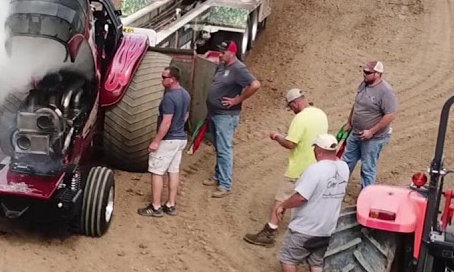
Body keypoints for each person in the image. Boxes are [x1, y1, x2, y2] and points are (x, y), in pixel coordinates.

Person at [270, 134, 350, 272]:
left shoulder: (315, 170)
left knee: (287, 257)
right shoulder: (343, 167)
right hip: (327, 228)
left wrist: (282, 205)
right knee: (317, 265)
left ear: (319, 150)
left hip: (305, 228)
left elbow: (301, 197)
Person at [245, 88, 329, 246]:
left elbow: (290, 144)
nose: (292, 110)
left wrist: (277, 137)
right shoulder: (321, 114)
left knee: (281, 199)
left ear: (295, 103)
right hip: (316, 166)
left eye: (291, 107)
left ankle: (270, 230)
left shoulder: (300, 119)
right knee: (308, 200)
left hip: (298, 167)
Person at [203, 40, 260, 197]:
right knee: (218, 146)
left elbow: (255, 85)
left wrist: (237, 100)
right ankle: (218, 176)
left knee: (224, 148)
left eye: (223, 52)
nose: (220, 54)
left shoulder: (239, 69)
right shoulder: (223, 65)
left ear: (232, 52)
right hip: (215, 113)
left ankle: (225, 184)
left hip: (226, 116)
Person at [139, 65, 191, 217]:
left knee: (156, 171)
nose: (161, 80)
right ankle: (170, 204)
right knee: (173, 171)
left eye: (164, 77)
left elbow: (166, 122)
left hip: (168, 140)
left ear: (172, 79)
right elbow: (186, 115)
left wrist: (156, 141)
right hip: (180, 138)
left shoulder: (169, 97)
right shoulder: (185, 94)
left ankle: (155, 206)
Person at [342, 60, 398, 190]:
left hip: (373, 138)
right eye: (364, 71)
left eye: (367, 72)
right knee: (346, 162)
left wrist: (371, 132)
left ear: (378, 74)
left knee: (368, 168)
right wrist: (349, 122)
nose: (364, 74)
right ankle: (337, 189)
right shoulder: (364, 85)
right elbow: (357, 104)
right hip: (356, 132)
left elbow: (390, 115)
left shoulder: (386, 92)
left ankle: (367, 195)